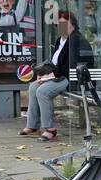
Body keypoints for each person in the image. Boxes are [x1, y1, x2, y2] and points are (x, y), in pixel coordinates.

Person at [22, 10, 85, 142]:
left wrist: (51, 76)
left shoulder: (75, 40)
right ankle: (32, 126)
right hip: (58, 75)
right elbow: (53, 63)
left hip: (70, 77)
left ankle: (50, 129)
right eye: (58, 25)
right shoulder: (60, 40)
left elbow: (69, 66)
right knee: (33, 87)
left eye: (64, 24)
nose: (60, 28)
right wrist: (43, 74)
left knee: (43, 91)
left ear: (72, 24)